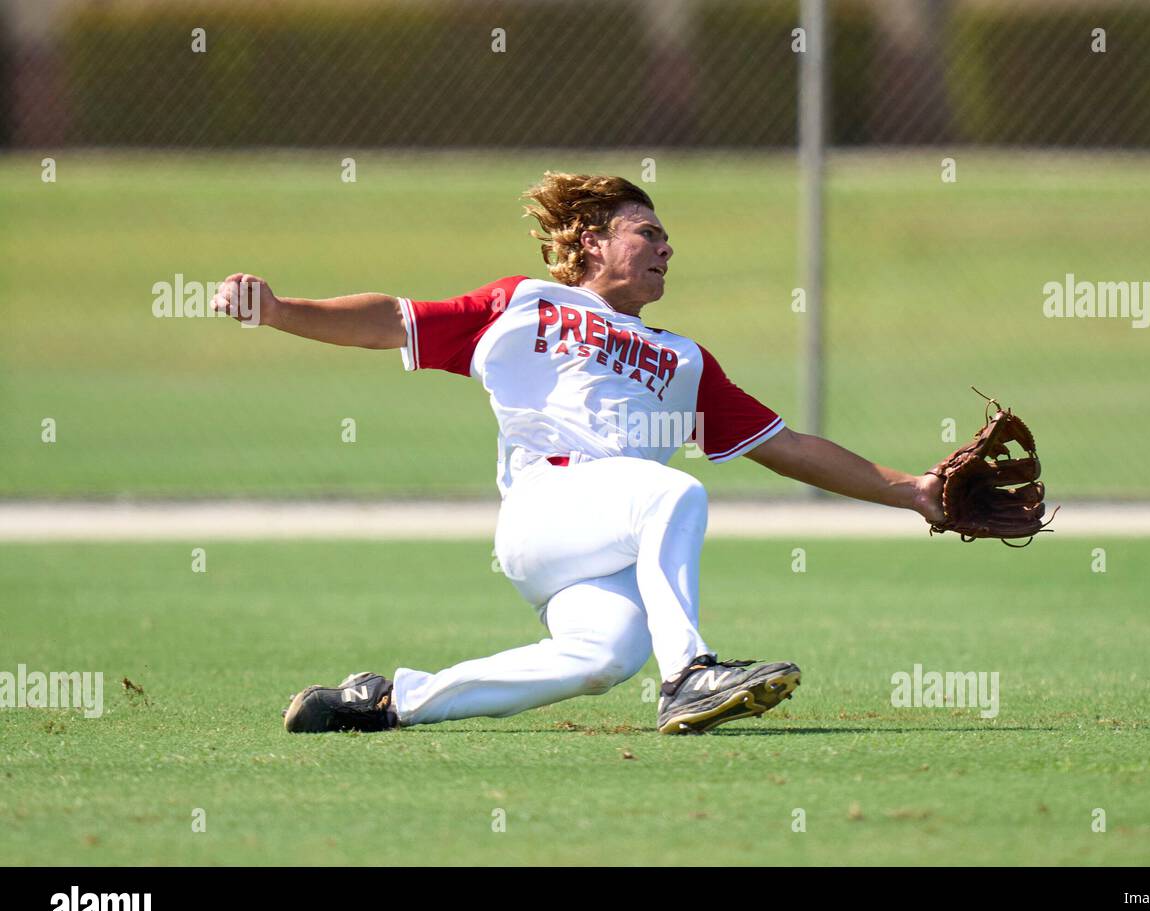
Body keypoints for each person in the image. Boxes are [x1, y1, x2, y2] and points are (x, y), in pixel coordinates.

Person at [211, 171, 944, 736]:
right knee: (674, 492)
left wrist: (911, 490)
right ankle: (689, 673)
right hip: (544, 509)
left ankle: (392, 700)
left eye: (667, 243)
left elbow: (788, 447)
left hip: (604, 541)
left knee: (606, 656)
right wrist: (278, 311)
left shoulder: (686, 360)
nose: (666, 249)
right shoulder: (526, 304)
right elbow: (392, 321)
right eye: (647, 233)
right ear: (592, 240)